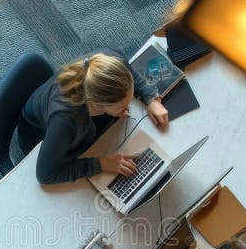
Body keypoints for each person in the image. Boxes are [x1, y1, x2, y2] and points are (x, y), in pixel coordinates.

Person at [19, 50, 170, 185]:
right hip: (40, 135)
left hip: (65, 117)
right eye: (122, 106)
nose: (128, 108)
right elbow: (45, 175)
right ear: (97, 104)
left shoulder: (111, 59)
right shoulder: (66, 120)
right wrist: (102, 164)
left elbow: (128, 71)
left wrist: (150, 98)